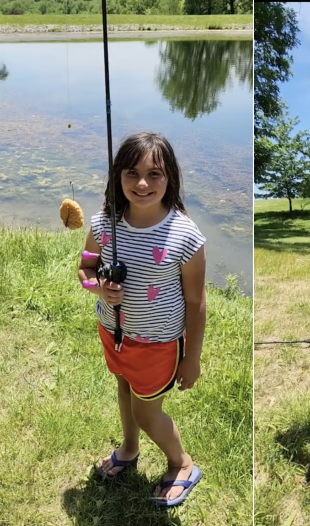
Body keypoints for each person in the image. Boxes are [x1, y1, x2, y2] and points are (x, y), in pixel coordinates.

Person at [78, 131, 207, 507]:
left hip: (158, 344)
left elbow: (196, 303)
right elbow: (85, 270)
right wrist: (99, 288)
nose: (143, 183)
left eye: (155, 174)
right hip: (114, 333)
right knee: (123, 387)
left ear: (171, 179)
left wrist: (192, 358)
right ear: (118, 176)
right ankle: (130, 449)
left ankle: (181, 463)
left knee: (147, 411)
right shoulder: (105, 222)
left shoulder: (186, 236)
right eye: (131, 173)